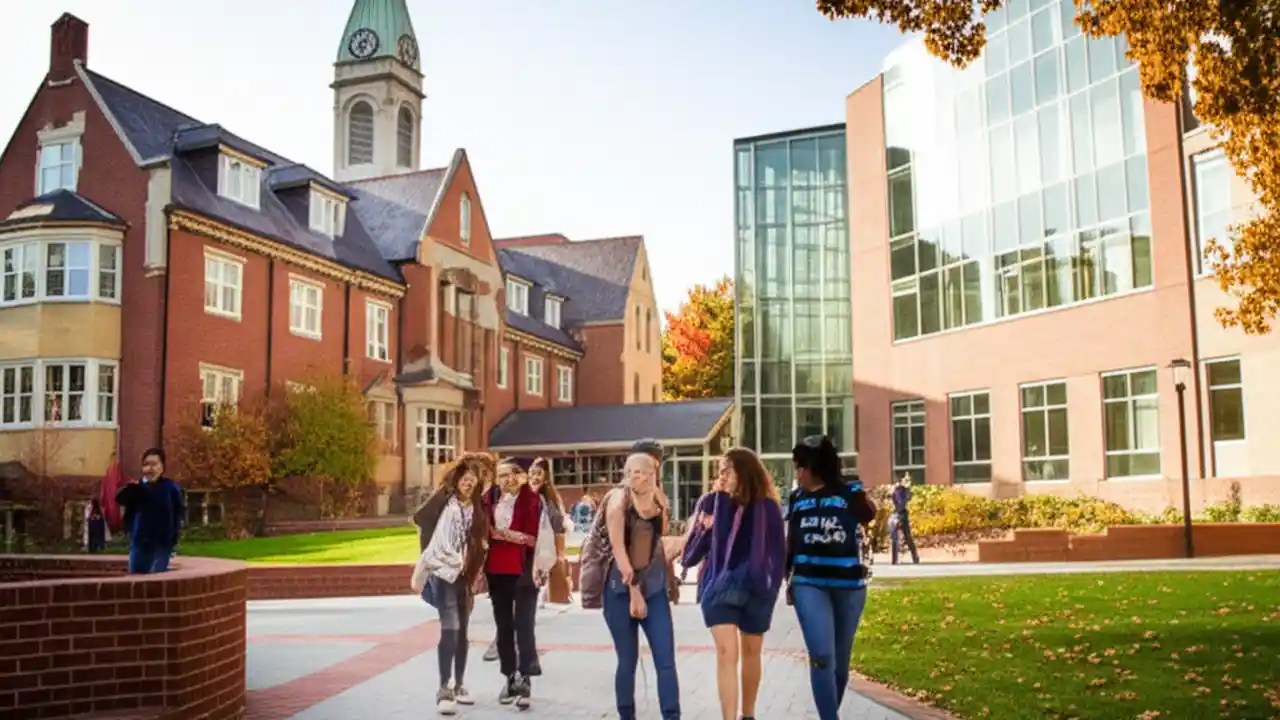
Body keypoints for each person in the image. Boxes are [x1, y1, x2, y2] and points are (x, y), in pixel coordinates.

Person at [682, 449, 785, 720]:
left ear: (745, 471)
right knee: (727, 652)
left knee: (752, 651)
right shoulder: (711, 502)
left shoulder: (767, 508)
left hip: (756, 590)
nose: (722, 475)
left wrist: (770, 587)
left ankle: (748, 715)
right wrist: (708, 522)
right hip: (719, 588)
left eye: (728, 469)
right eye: (720, 470)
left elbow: (778, 552)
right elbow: (690, 555)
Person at [785, 436, 877, 720]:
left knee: (839, 665)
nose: (797, 474)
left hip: (848, 586)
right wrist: (785, 578)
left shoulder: (849, 494)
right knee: (821, 657)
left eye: (800, 467)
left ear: (814, 468)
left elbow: (870, 517)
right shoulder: (796, 499)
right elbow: (792, 541)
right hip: (809, 584)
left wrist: (857, 495)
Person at [602, 451, 681, 720]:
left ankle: (672, 715)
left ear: (653, 475)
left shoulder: (659, 499)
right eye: (631, 471)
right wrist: (635, 593)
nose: (636, 476)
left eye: (642, 472)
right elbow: (620, 550)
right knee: (628, 660)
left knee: (666, 661)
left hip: (655, 586)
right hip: (621, 589)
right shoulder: (618, 500)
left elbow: (657, 541)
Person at [411, 454, 491, 715]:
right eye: (464, 479)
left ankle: (459, 685)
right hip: (443, 573)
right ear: (456, 480)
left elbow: (480, 540)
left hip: (463, 577)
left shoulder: (477, 508)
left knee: (462, 631)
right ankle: (443, 689)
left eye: (472, 481)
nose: (468, 484)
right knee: (450, 628)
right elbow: (420, 519)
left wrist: (477, 562)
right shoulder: (446, 500)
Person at [484, 459, 544, 709]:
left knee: (524, 625)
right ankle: (509, 676)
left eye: (511, 475)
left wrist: (508, 535)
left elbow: (536, 539)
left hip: (524, 571)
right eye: (501, 475)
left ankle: (525, 678)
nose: (506, 480)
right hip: (496, 570)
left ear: (521, 476)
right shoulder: (489, 498)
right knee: (504, 626)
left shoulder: (532, 500)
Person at [114, 448, 184, 575]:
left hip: (162, 544)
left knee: (155, 581)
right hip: (140, 543)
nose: (150, 468)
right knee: (136, 578)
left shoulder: (170, 488)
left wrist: (174, 537)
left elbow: (177, 513)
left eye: (154, 464)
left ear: (162, 467)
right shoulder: (137, 488)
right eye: (146, 464)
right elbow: (121, 501)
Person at [529, 458, 570, 606]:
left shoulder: (549, 500)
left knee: (553, 596)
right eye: (532, 473)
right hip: (530, 552)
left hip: (547, 553)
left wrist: (560, 554)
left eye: (538, 473)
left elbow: (559, 528)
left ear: (546, 476)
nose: (535, 477)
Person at [890, 472, 920, 565]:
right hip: (897, 514)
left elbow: (907, 499)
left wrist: (907, 488)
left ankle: (915, 557)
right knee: (895, 538)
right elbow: (899, 502)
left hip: (902, 514)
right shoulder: (896, 491)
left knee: (907, 537)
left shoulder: (903, 490)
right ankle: (895, 560)